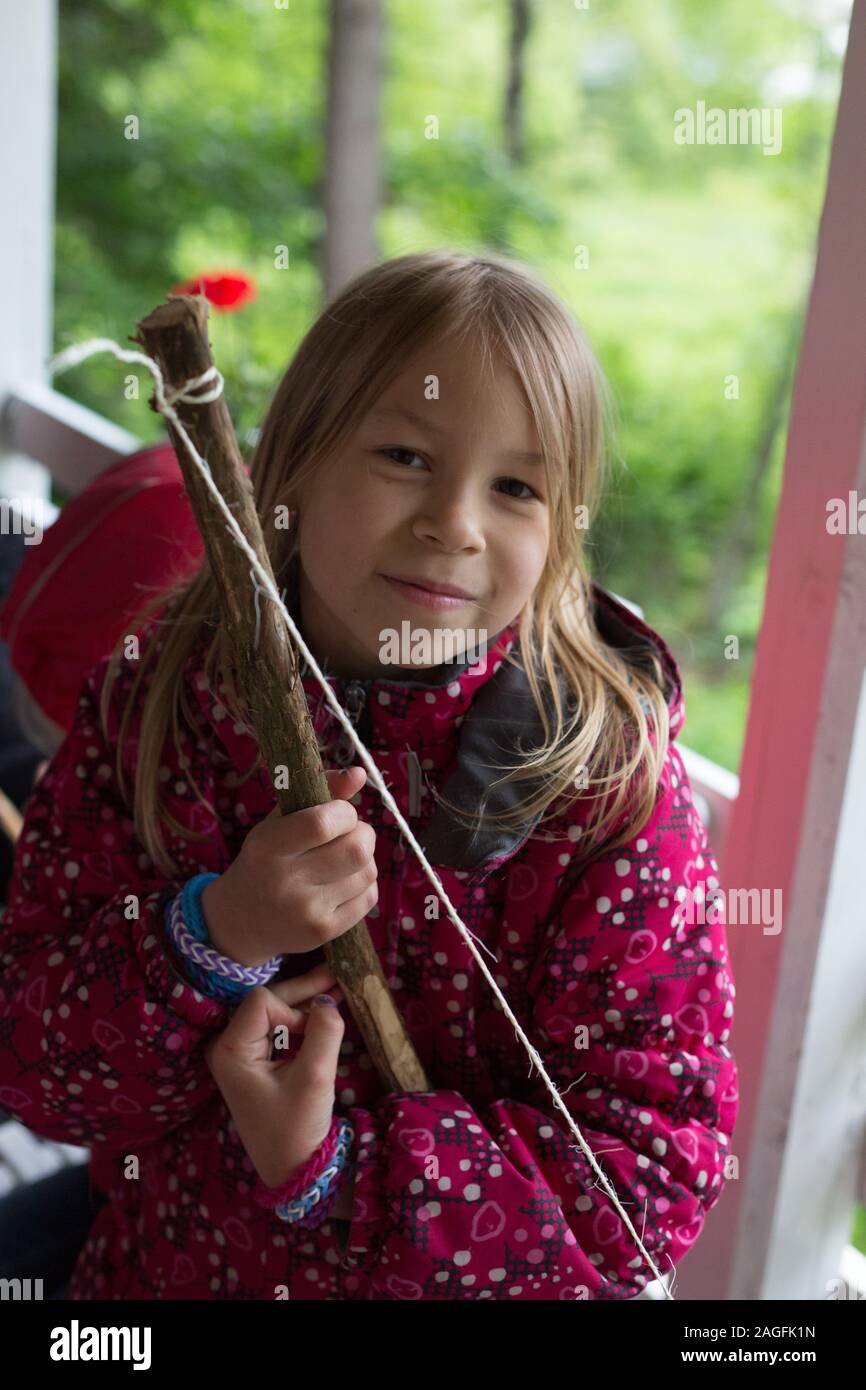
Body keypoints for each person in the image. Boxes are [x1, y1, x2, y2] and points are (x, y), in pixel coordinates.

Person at [0, 250, 738, 1301]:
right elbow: (37, 1069)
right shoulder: (163, 701)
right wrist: (212, 934)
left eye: (517, 486)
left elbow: (651, 1179)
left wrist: (336, 1171)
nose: (454, 523)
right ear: (292, 463)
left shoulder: (600, 788)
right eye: (402, 454)